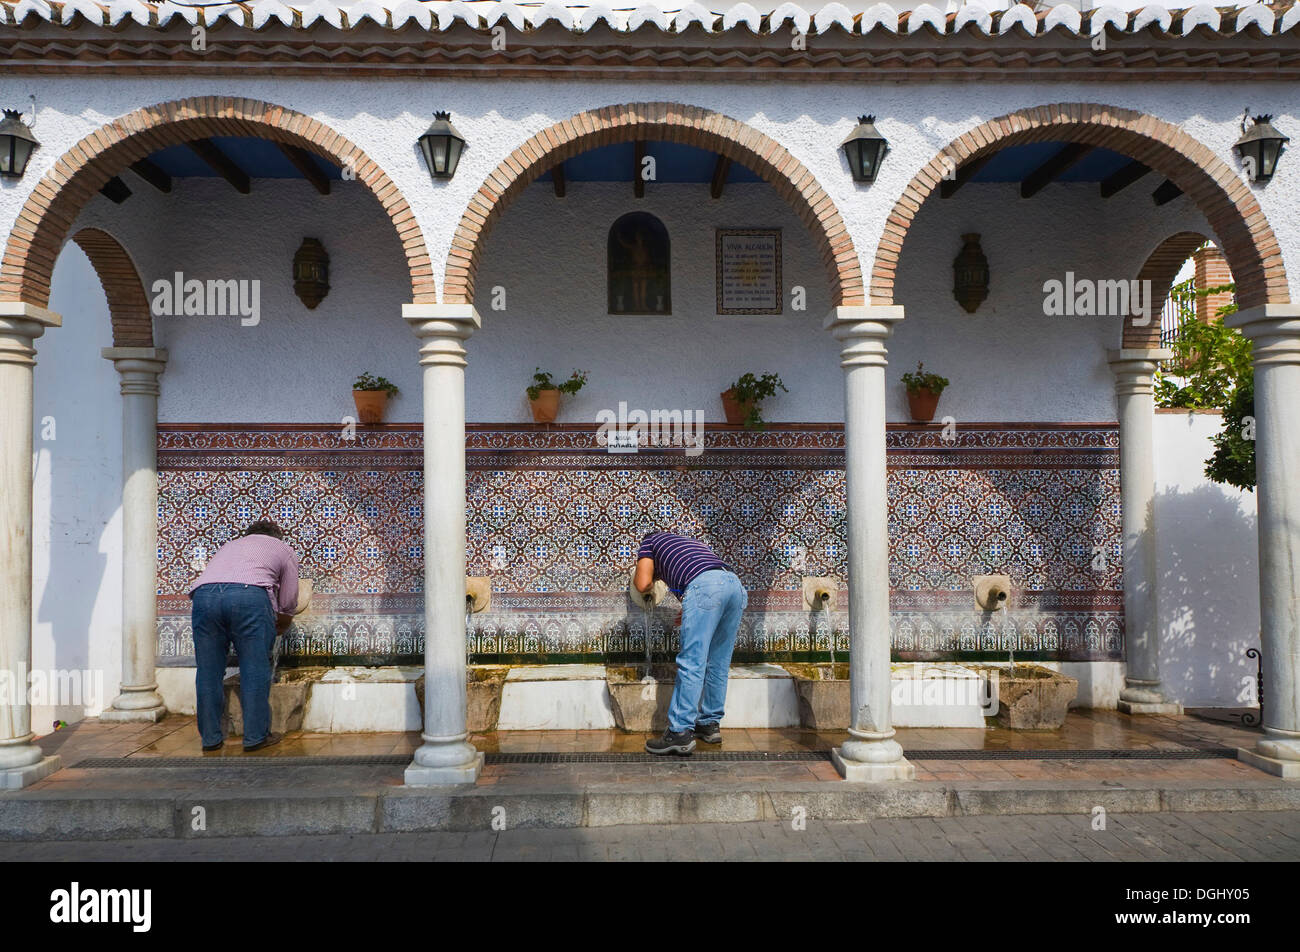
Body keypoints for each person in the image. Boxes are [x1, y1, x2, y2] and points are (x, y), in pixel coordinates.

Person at [189, 520, 301, 752]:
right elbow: (289, 598)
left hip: (203, 596)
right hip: (249, 597)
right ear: (277, 536)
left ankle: (210, 739)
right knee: (254, 668)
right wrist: (283, 620)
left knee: (208, 671)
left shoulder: (230, 545)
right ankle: (255, 737)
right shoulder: (283, 548)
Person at [633, 530, 748, 755]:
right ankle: (709, 724)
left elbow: (642, 583)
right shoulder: (691, 544)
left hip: (705, 587)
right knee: (718, 663)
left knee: (692, 662)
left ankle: (679, 732)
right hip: (734, 585)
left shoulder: (649, 541)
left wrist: (647, 578)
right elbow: (705, 580)